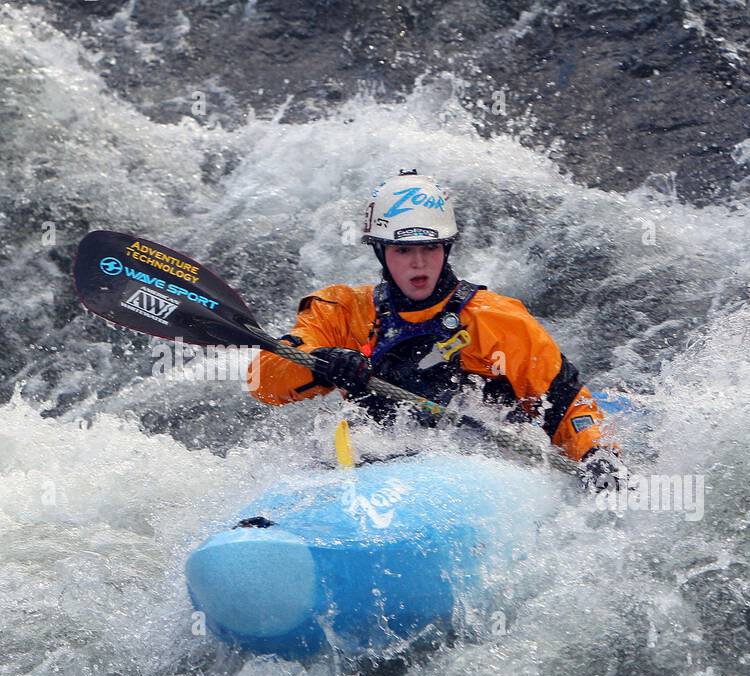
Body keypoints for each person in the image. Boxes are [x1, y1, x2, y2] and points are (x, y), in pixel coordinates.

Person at [247, 169, 623, 489]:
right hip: (377, 462)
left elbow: (570, 404)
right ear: (380, 251)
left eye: (430, 248)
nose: (419, 264)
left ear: (447, 248)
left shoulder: (498, 320)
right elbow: (262, 382)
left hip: (482, 469)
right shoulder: (343, 312)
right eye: (402, 251)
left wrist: (598, 454)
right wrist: (320, 362)